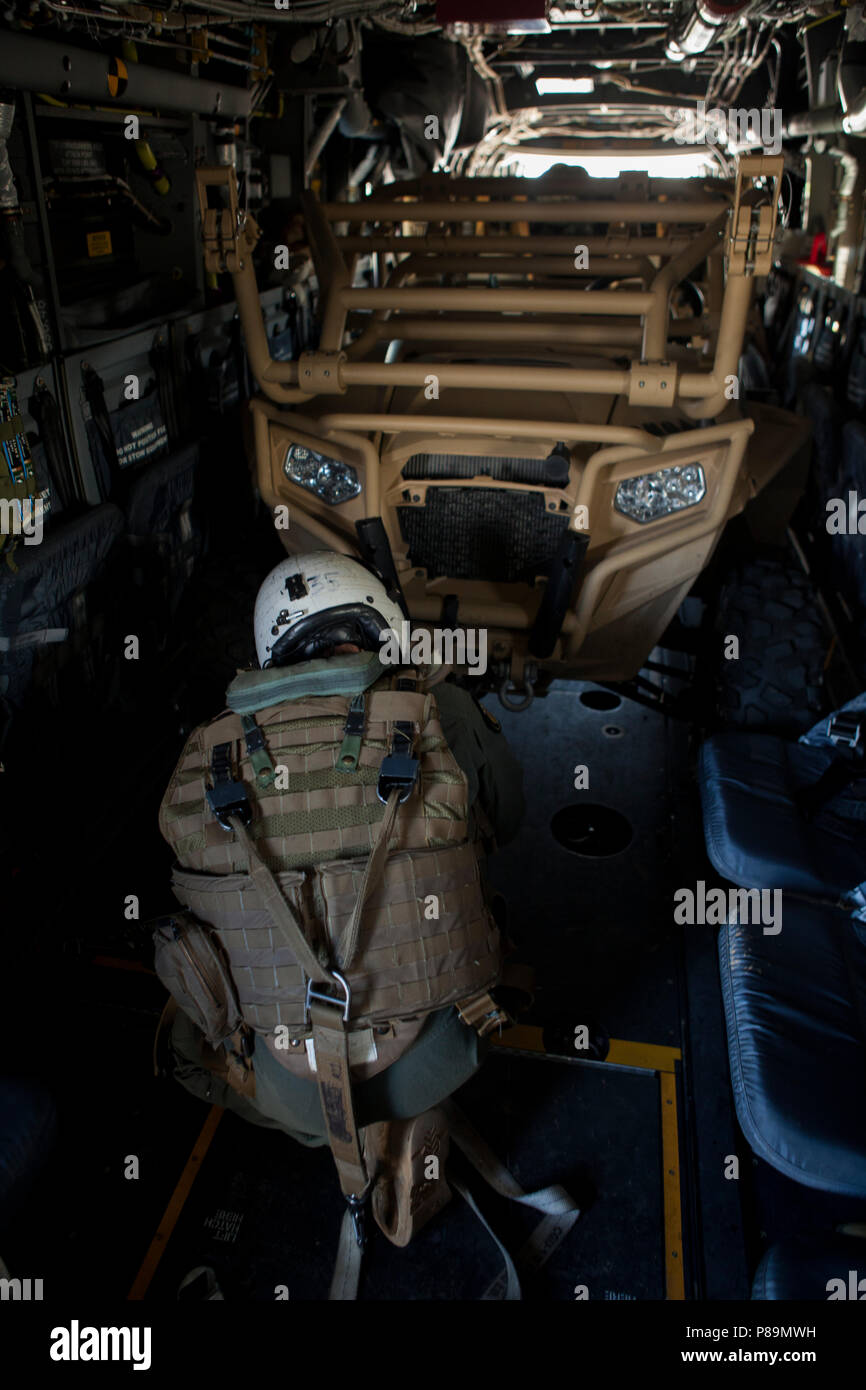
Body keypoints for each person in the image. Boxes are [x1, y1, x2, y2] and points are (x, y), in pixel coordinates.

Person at [156, 550, 525, 1246]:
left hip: (290, 1087)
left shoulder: (208, 756)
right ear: (381, 623)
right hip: (441, 1046)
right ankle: (403, 1112)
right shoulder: (438, 709)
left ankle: (335, 1132)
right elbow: (509, 818)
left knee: (183, 1044)